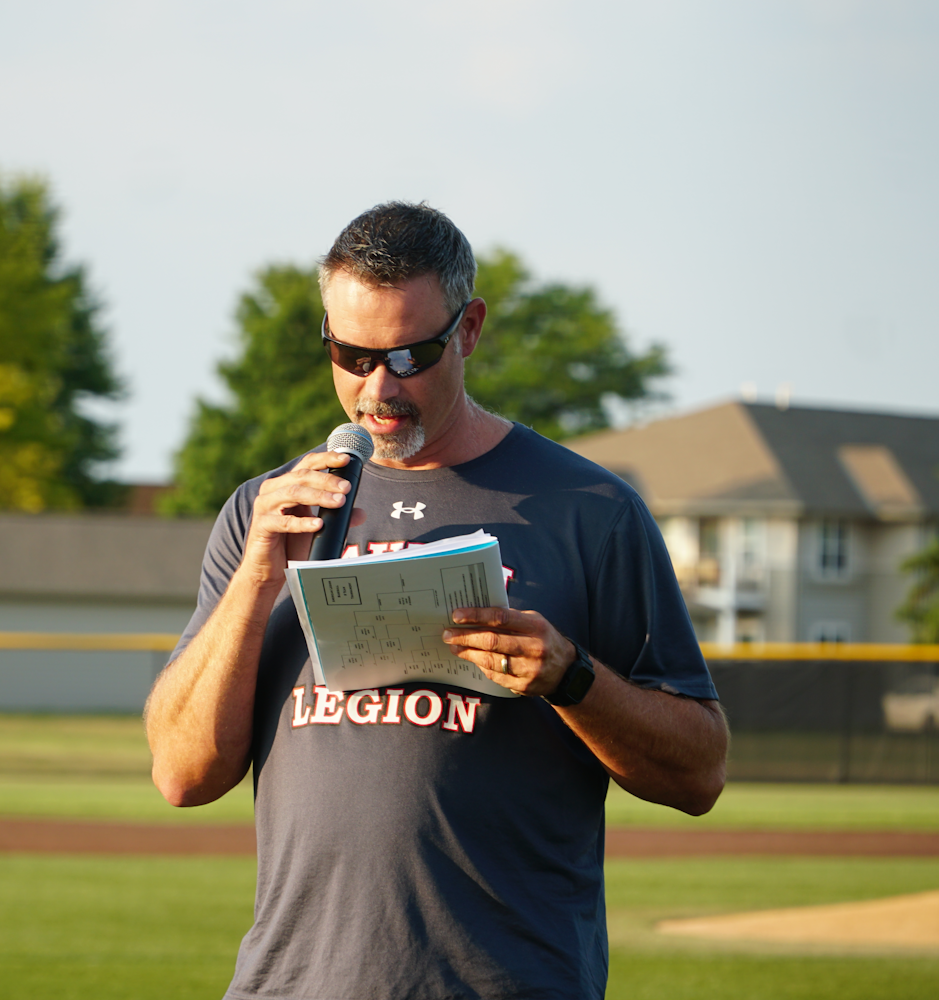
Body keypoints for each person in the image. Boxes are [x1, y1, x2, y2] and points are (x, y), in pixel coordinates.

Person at [145, 202, 727, 1000]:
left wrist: (571, 678)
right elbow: (181, 774)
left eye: (411, 354)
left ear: (470, 329)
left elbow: (698, 774)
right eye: (351, 354)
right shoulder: (268, 511)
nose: (378, 388)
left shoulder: (589, 510)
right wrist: (256, 578)